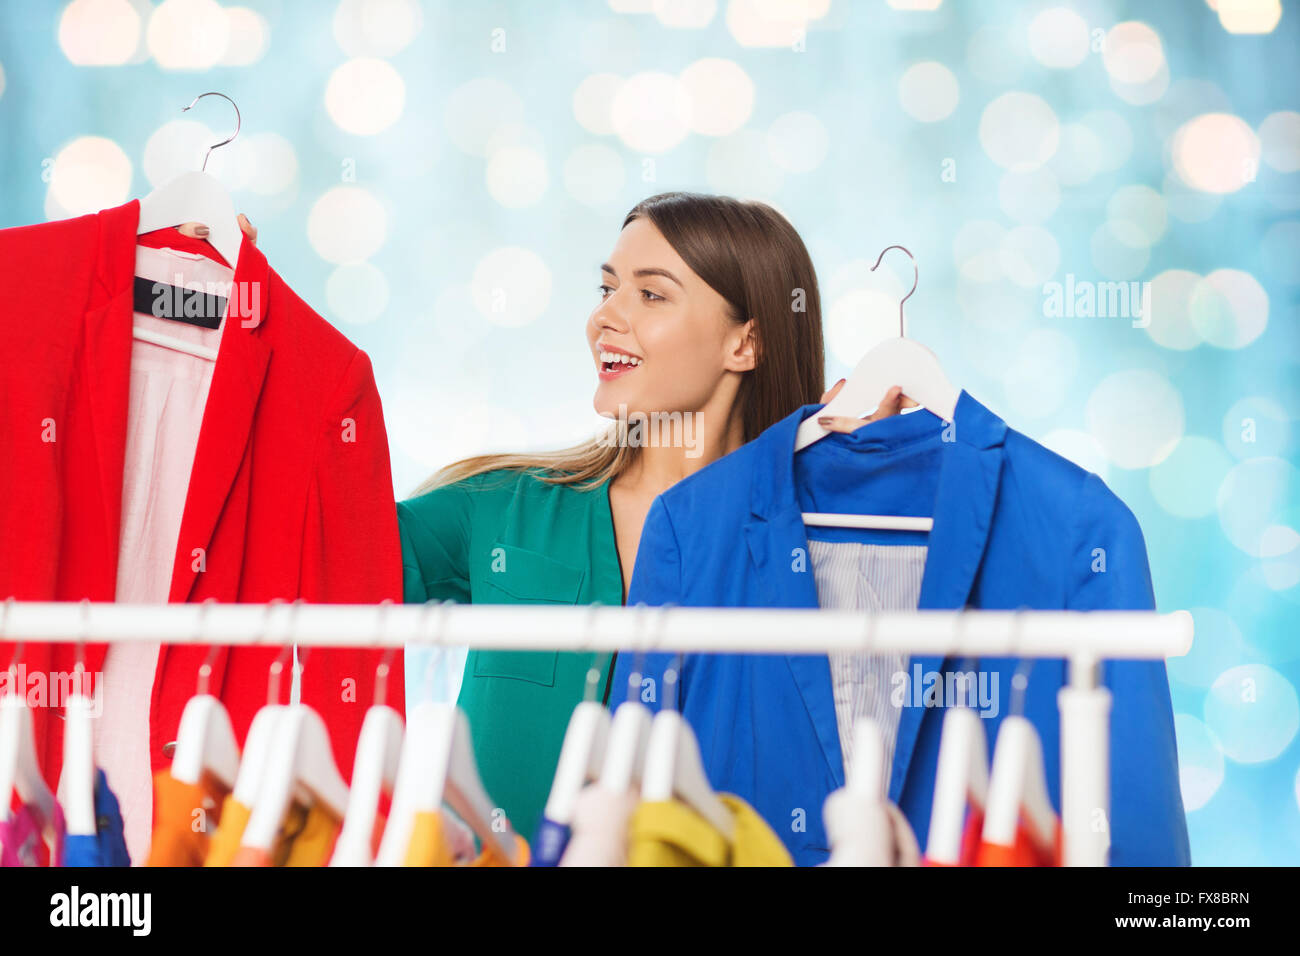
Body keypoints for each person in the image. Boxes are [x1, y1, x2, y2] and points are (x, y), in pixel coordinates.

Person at [393, 192, 907, 843]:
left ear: (747, 342)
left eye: (651, 295)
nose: (604, 317)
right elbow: (293, 545)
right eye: (606, 289)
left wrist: (857, 488)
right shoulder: (498, 508)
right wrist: (225, 331)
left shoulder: (823, 538)